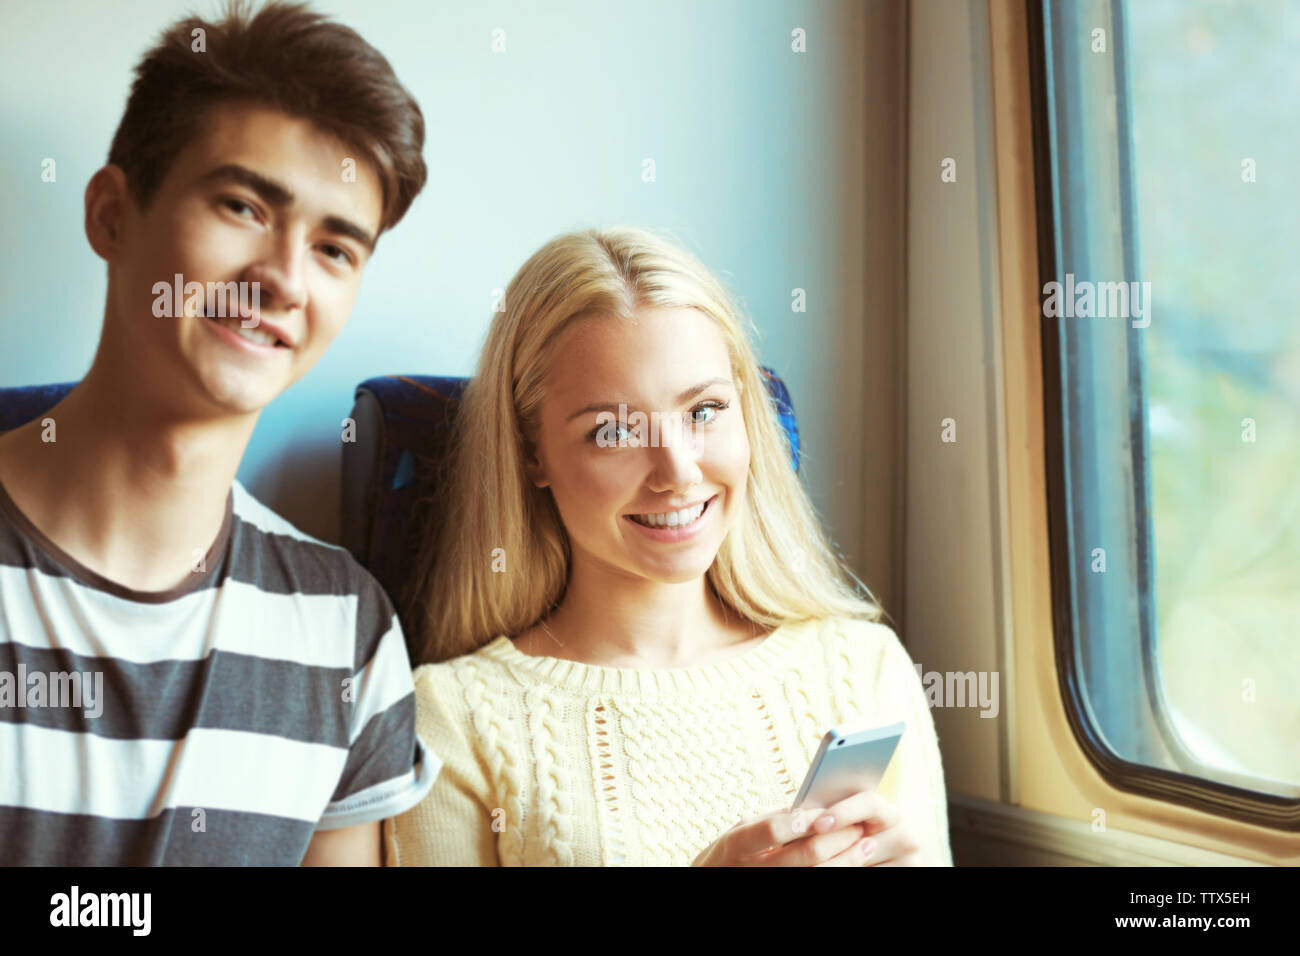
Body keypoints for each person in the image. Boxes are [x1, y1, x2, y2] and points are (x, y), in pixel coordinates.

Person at [0, 0, 437, 865]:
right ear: (112, 216)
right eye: (242, 206)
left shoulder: (349, 631)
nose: (282, 278)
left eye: (336, 249)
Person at [385, 226, 953, 866]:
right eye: (613, 431)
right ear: (531, 453)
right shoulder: (453, 719)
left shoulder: (863, 668)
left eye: (704, 411)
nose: (678, 470)